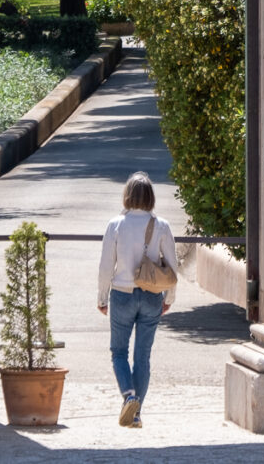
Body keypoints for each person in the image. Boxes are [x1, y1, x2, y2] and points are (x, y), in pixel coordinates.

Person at [97, 170, 177, 428]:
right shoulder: (162, 225)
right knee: (143, 355)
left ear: (127, 195)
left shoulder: (115, 225)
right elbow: (172, 267)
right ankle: (137, 412)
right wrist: (169, 298)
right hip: (152, 295)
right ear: (151, 197)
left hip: (122, 294)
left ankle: (128, 395)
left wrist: (102, 297)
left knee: (118, 351)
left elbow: (105, 266)